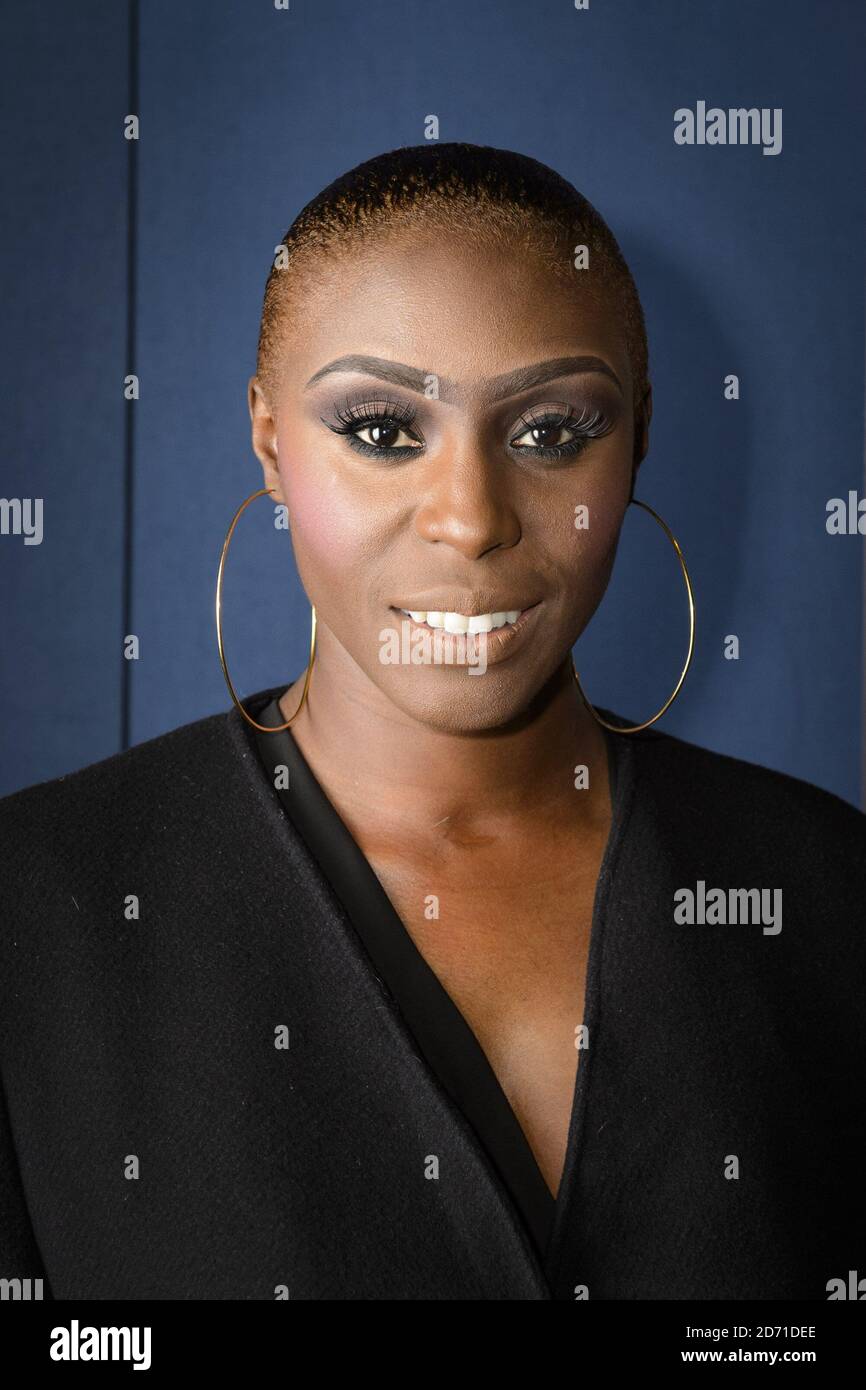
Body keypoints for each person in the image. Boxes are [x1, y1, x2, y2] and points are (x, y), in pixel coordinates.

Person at [1, 143, 863, 1301]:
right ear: (267, 441)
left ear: (639, 436)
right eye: (378, 428)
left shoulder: (821, 889)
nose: (468, 518)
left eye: (552, 431)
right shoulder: (33, 915)